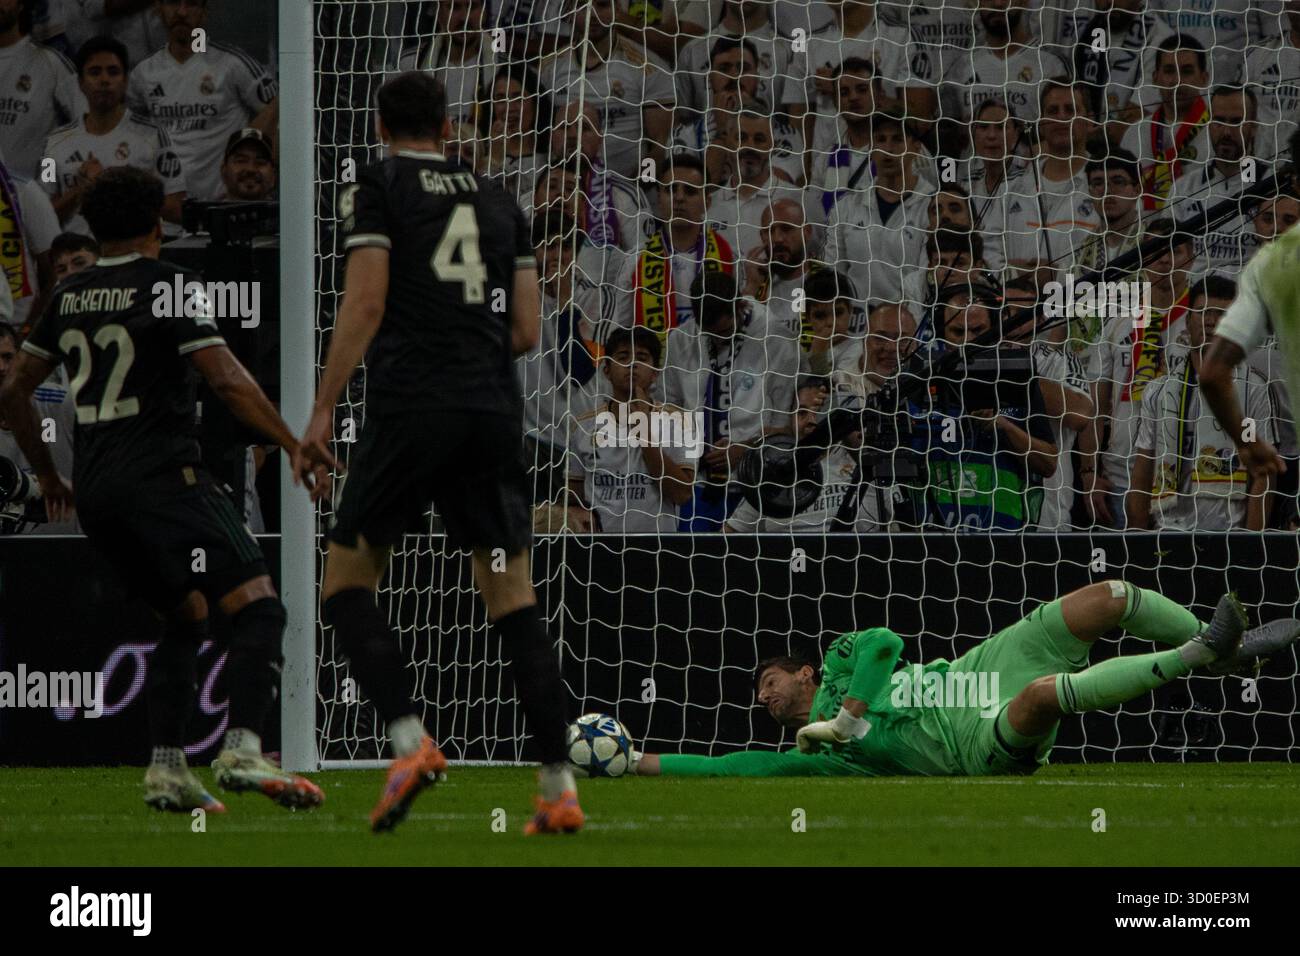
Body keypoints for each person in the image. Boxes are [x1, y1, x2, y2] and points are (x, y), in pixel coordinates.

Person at [295, 73, 583, 835]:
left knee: (346, 583)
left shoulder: (378, 183)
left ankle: (408, 740)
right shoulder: (498, 197)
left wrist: (323, 409)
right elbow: (525, 330)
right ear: (448, 125)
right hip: (490, 412)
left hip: (413, 407)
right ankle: (558, 788)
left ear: (381, 122)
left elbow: (365, 301)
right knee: (512, 598)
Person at [0, 165, 326, 812]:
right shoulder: (174, 286)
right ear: (159, 224)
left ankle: (169, 769)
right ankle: (240, 749)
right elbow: (228, 381)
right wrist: (293, 444)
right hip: (166, 481)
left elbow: (13, 390)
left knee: (186, 617)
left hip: (97, 494)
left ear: (93, 226)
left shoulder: (67, 295)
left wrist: (45, 472)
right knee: (260, 607)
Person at [631, 586, 1300, 777]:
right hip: (975, 741)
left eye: (769, 682)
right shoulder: (823, 757)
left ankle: (1226, 655)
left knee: (1109, 598)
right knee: (1040, 699)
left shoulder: (839, 662)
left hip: (979, 667)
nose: (764, 696)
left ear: (803, 672)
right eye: (758, 696)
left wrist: (850, 712)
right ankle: (1203, 652)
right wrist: (639, 762)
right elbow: (734, 768)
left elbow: (890, 642)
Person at [1128, 275, 1276, 531]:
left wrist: (1251, 544)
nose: (1210, 321)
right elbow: (1143, 468)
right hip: (1168, 530)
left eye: (1221, 314)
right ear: (1187, 322)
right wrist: (1136, 537)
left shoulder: (1254, 389)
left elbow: (1263, 473)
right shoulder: (1159, 390)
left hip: (1229, 534)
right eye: (1203, 312)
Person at [662, 269, 798, 530]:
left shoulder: (777, 340)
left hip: (754, 485)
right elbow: (669, 408)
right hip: (698, 485)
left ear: (741, 304)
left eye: (725, 330)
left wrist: (745, 449)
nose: (719, 338)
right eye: (711, 333)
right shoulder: (681, 340)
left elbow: (786, 429)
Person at [128, 0, 278, 202]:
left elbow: (279, 108)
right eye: (174, 3)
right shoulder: (143, 73)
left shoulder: (232, 64)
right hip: (165, 214)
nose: (181, 12)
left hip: (223, 209)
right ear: (158, 9)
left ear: (204, 13)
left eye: (191, 4)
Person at [42, 36, 186, 235]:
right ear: (80, 83)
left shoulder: (152, 137)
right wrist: (78, 190)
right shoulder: (54, 144)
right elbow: (42, 217)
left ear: (125, 81)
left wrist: (113, 185)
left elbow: (176, 208)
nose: (104, 80)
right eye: (94, 72)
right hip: (76, 261)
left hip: (133, 257)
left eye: (113, 72)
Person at [568, 325, 695, 532]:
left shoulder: (680, 421)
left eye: (642, 357)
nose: (632, 364)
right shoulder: (582, 425)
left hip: (658, 550)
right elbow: (574, 500)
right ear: (606, 369)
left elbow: (682, 495)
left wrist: (643, 432)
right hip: (600, 550)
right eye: (623, 356)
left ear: (655, 373)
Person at [0, 0, 82, 179]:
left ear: (21, 4)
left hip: (36, 197)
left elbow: (86, 124)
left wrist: (48, 179)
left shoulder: (51, 63)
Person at [217, 128, 275, 201]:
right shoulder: (205, 212)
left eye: (260, 162)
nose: (250, 169)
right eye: (241, 161)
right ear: (224, 172)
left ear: (273, 176)